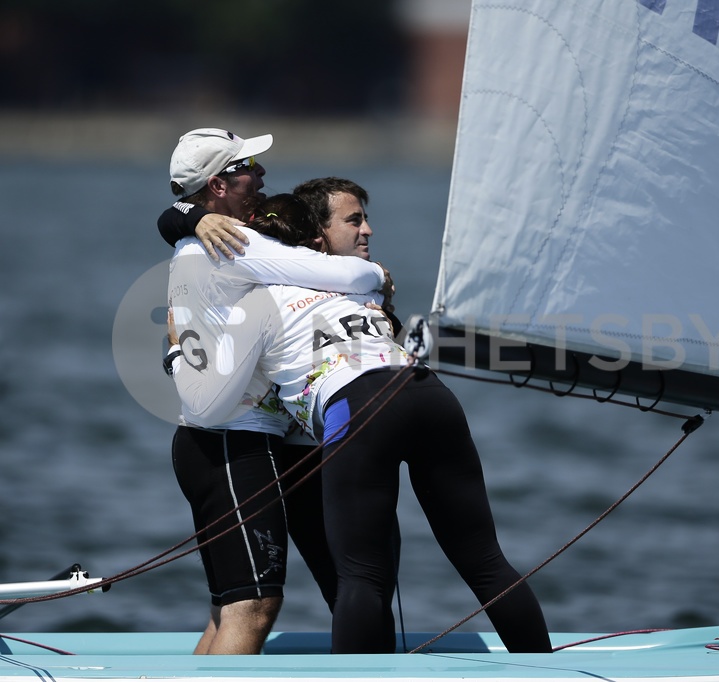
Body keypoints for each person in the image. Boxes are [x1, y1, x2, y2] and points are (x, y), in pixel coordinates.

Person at [170, 186, 552, 655]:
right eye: (355, 221)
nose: (366, 230)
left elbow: (209, 402)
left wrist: (177, 350)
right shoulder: (360, 283)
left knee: (361, 579)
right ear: (314, 240)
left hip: (360, 407)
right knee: (485, 561)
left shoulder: (256, 302)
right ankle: (545, 670)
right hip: (428, 394)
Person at [162, 128, 391, 654]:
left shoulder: (193, 240)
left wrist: (186, 214)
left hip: (212, 441)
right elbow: (349, 275)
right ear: (218, 185)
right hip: (232, 441)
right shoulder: (235, 245)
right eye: (249, 167)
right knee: (254, 605)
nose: (262, 174)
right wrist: (378, 273)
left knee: (229, 607)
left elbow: (174, 215)